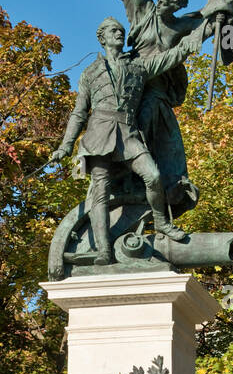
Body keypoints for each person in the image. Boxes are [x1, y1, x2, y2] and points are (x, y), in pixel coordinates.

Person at [50, 15, 210, 263]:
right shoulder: (90, 73)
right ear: (102, 37)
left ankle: (161, 222)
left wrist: (204, 31)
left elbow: (174, 55)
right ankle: (103, 250)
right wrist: (66, 145)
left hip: (128, 133)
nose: (119, 34)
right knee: (99, 193)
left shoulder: (139, 66)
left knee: (153, 175)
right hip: (98, 135)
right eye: (114, 31)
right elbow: (79, 113)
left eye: (121, 31)